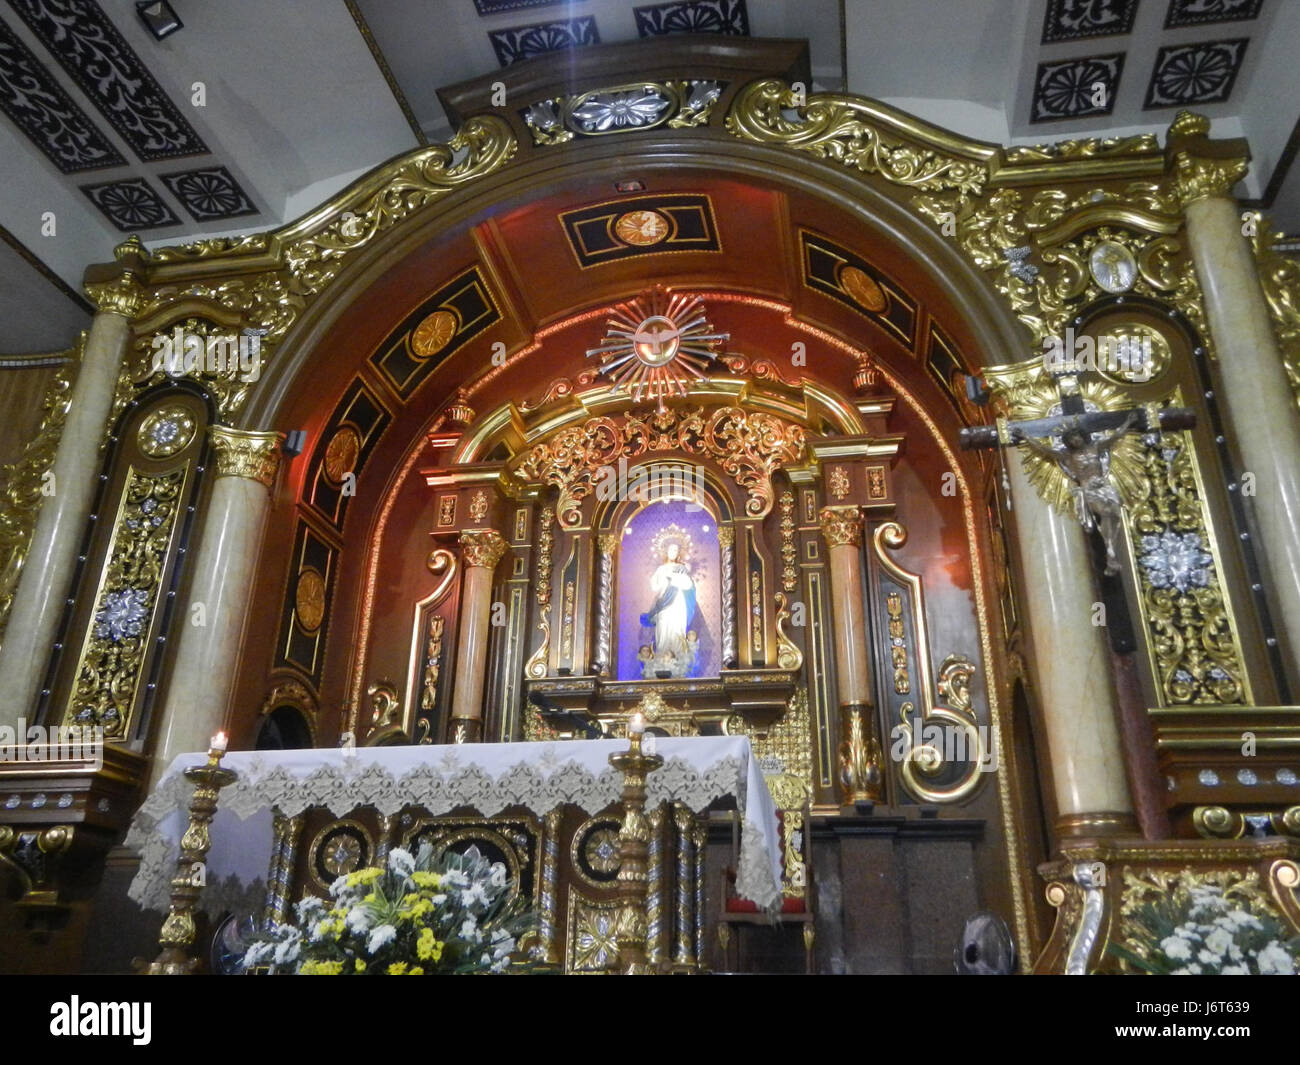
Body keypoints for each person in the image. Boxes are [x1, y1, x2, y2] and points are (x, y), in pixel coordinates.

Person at [640, 541, 696, 674]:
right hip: (664, 603)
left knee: (677, 629)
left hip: (677, 602)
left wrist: (675, 578)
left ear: (678, 553)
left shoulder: (682, 568)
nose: (673, 552)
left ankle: (677, 660)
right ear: (666, 551)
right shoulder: (661, 569)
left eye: (676, 550)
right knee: (663, 629)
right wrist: (665, 579)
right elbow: (654, 586)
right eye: (671, 549)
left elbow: (688, 585)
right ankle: (662, 659)